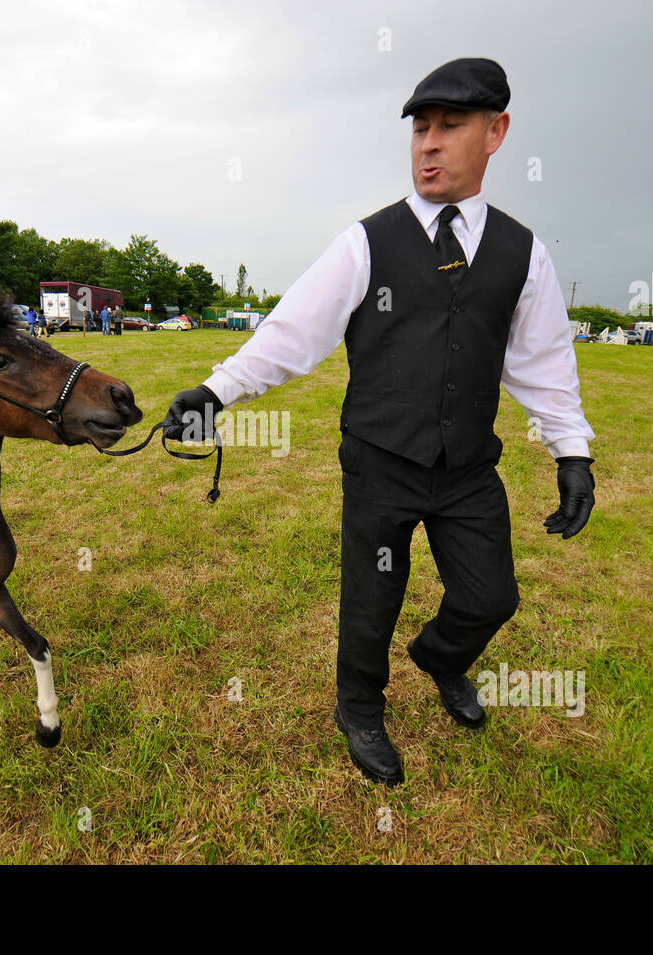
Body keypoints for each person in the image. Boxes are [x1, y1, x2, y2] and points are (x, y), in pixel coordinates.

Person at [164, 57, 597, 786]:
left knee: (493, 596)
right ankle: (359, 705)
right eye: (420, 129)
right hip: (380, 463)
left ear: (497, 132)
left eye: (450, 127)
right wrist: (216, 391)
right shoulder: (369, 240)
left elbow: (544, 360)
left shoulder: (526, 254)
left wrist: (572, 452)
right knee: (373, 600)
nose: (428, 143)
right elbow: (292, 331)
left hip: (467, 469)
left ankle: (441, 657)